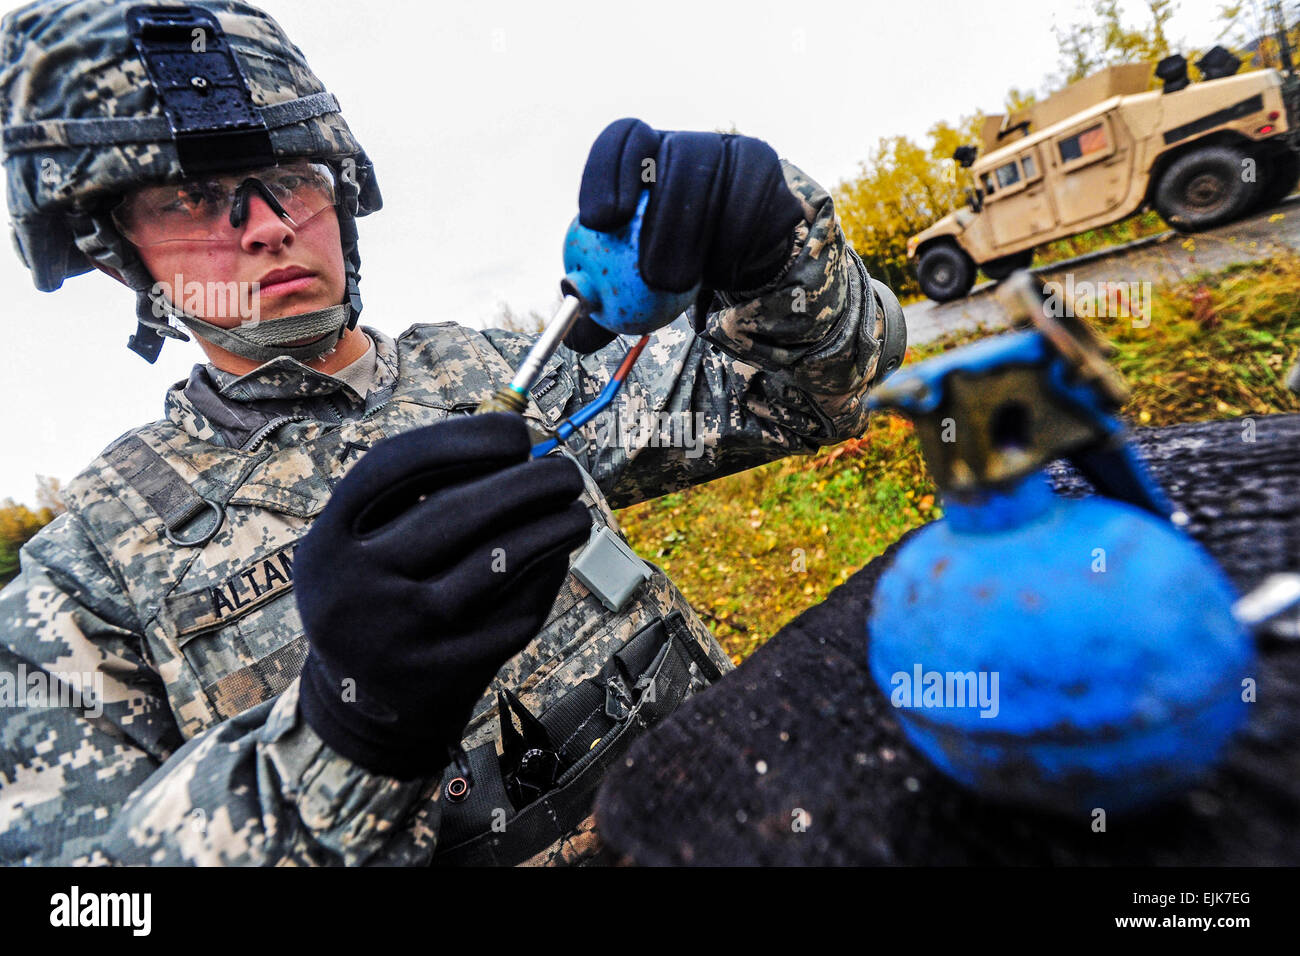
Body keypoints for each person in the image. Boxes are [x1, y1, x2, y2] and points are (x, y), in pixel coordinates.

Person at [0, 0, 906, 866]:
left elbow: (802, 395)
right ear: (120, 255)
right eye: (195, 202)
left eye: (292, 183)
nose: (269, 228)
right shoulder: (93, 574)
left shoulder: (498, 372)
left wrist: (777, 248)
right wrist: (344, 736)